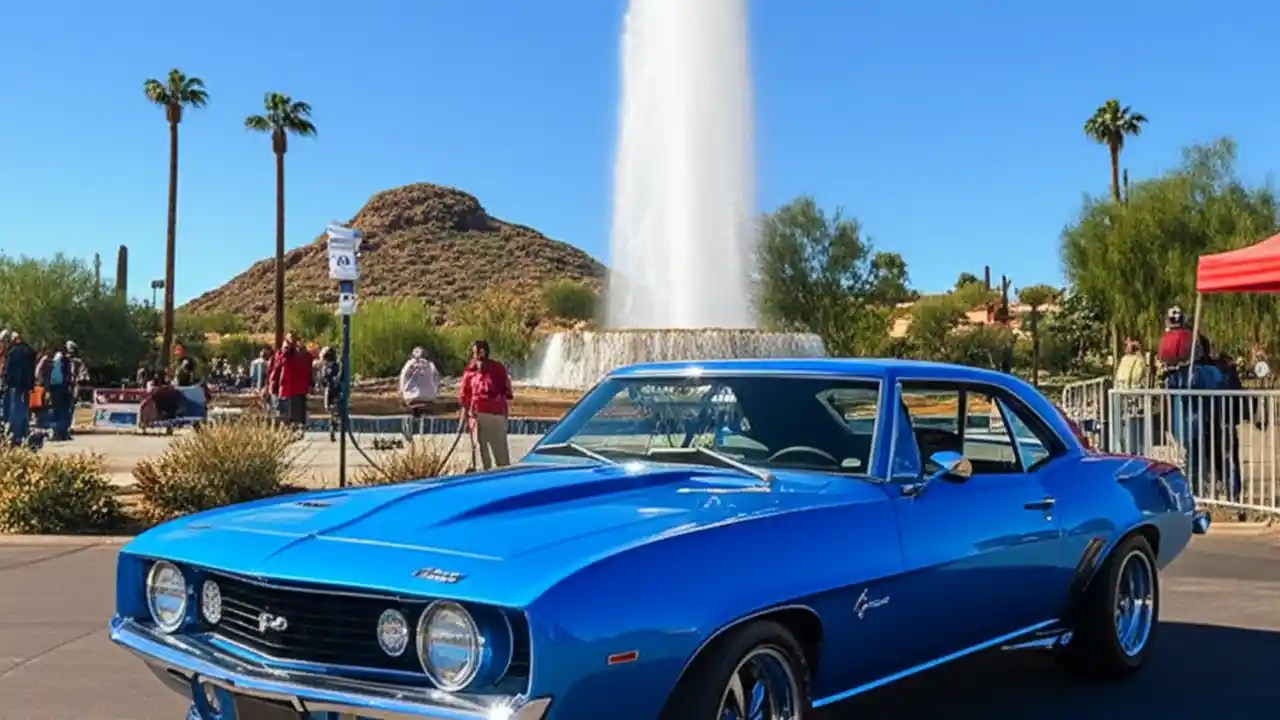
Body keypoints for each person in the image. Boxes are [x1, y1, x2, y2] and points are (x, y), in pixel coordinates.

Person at [458, 340, 514, 470]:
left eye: (479, 351)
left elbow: (506, 390)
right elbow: (464, 397)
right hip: (478, 415)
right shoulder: (470, 371)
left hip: (494, 415)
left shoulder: (497, 369)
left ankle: (504, 481)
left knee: (500, 455)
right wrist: (464, 418)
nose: (477, 354)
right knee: (480, 453)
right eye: (475, 352)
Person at [269, 332, 314, 428]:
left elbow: (308, 370)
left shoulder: (302, 355)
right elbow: (276, 370)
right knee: (284, 418)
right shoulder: (282, 354)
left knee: (295, 419)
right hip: (285, 390)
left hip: (296, 390)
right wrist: (273, 386)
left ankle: (294, 431)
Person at [1113, 339, 1147, 454]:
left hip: (1120, 395)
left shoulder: (1124, 360)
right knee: (1135, 426)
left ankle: (1122, 449)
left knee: (1122, 425)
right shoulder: (1140, 360)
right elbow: (1138, 377)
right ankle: (1136, 450)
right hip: (1134, 396)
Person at [3, 332, 36, 446]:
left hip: (15, 385)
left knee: (15, 408)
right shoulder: (29, 351)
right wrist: (32, 384)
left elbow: (8, 368)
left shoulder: (12, 351)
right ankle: (24, 431)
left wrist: (7, 381)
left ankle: (15, 434)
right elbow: (32, 368)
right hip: (26, 385)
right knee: (24, 408)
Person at [399, 347, 440, 419]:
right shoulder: (431, 364)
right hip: (429, 396)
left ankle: (415, 412)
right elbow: (436, 378)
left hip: (411, 397)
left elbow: (403, 378)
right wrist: (434, 392)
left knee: (405, 403)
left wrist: (402, 393)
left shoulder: (409, 364)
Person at [318, 346, 342, 442]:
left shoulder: (335, 367)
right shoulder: (325, 368)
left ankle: (334, 426)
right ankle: (333, 426)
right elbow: (323, 380)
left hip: (334, 391)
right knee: (331, 410)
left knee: (334, 411)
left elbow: (335, 378)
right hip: (329, 391)